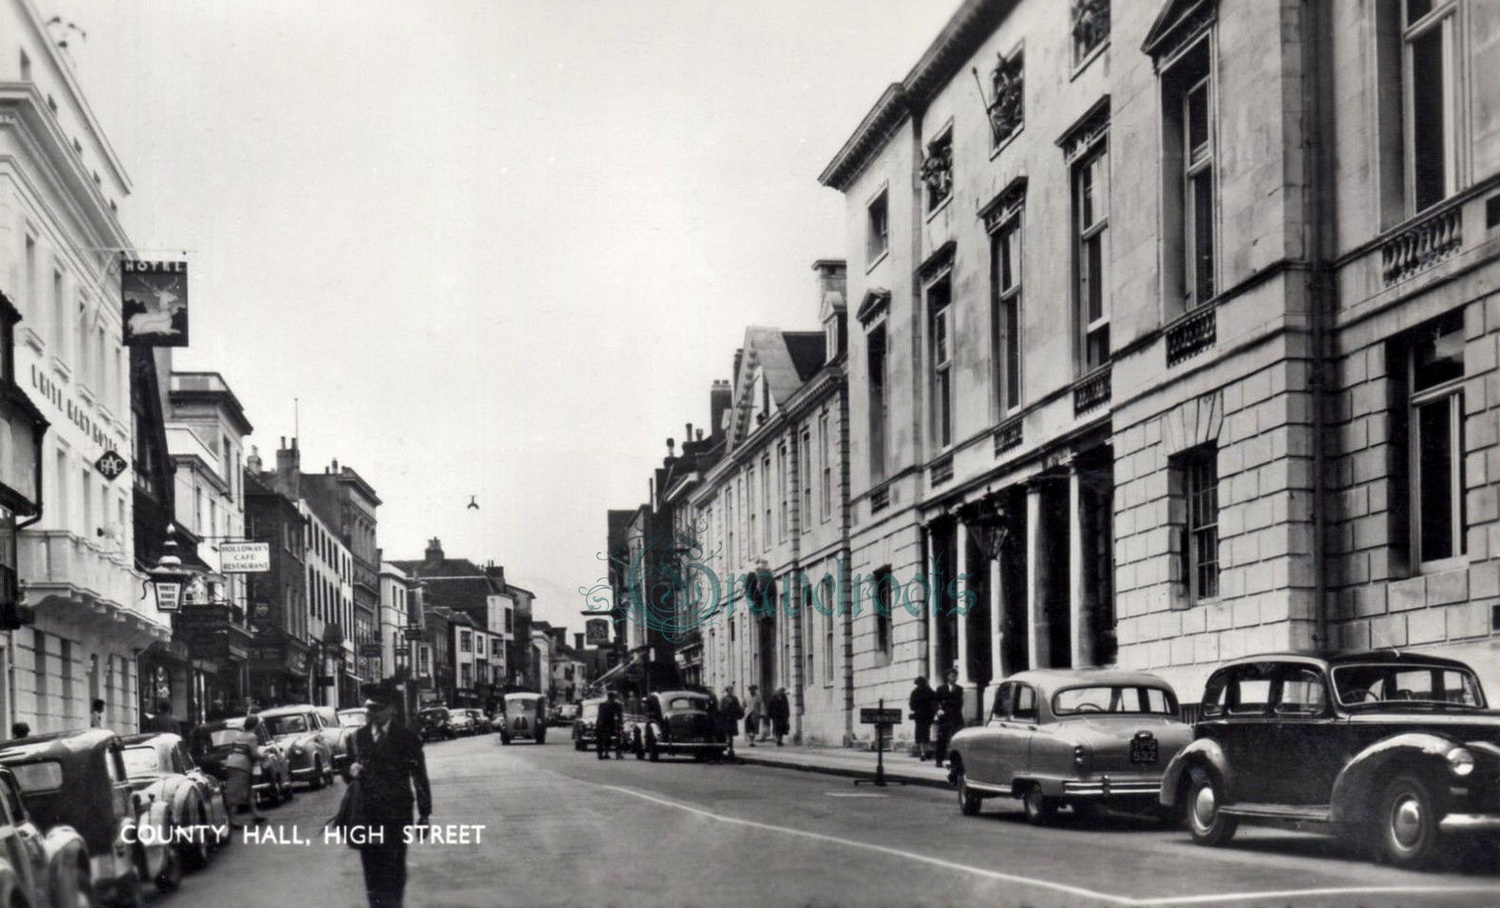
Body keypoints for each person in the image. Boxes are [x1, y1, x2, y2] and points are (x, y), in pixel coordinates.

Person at [350, 685, 431, 908]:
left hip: (397, 815)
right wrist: (351, 770)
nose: (372, 713)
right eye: (369, 709)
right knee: (371, 869)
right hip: (368, 816)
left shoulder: (406, 738)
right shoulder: (359, 737)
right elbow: (347, 773)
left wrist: (424, 815)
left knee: (394, 867)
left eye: (378, 708)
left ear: (391, 709)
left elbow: (419, 777)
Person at [225, 715, 267, 827]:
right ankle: (232, 820)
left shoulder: (238, 736)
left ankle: (256, 814)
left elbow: (231, 749)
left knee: (248, 791)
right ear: (255, 725)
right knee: (237, 793)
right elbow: (254, 754)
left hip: (232, 764)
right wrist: (264, 757)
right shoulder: (252, 736)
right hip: (241, 766)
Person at [933, 669, 965, 769]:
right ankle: (939, 760)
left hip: (956, 717)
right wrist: (938, 710)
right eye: (952, 676)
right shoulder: (941, 689)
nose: (954, 678)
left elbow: (960, 702)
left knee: (956, 740)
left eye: (955, 676)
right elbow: (935, 702)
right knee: (942, 739)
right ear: (947, 677)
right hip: (944, 717)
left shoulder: (959, 689)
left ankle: (954, 761)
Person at [909, 676, 936, 761]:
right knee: (926, 732)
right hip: (928, 715)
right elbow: (934, 702)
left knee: (920, 733)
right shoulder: (930, 691)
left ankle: (923, 752)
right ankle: (928, 750)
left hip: (919, 715)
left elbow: (912, 706)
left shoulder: (915, 692)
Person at [596, 690, 624, 760]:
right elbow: (619, 716)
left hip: (605, 724)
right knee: (605, 737)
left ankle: (603, 753)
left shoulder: (603, 705)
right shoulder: (616, 705)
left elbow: (599, 715)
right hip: (607, 724)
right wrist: (620, 723)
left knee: (603, 738)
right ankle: (604, 753)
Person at [717, 685, 744, 757]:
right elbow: (720, 709)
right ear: (727, 691)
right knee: (726, 733)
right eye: (730, 690)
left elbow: (738, 707)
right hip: (725, 719)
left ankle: (730, 748)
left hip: (732, 719)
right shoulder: (723, 699)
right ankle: (726, 746)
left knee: (731, 734)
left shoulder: (735, 699)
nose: (731, 691)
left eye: (732, 690)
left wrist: (738, 713)